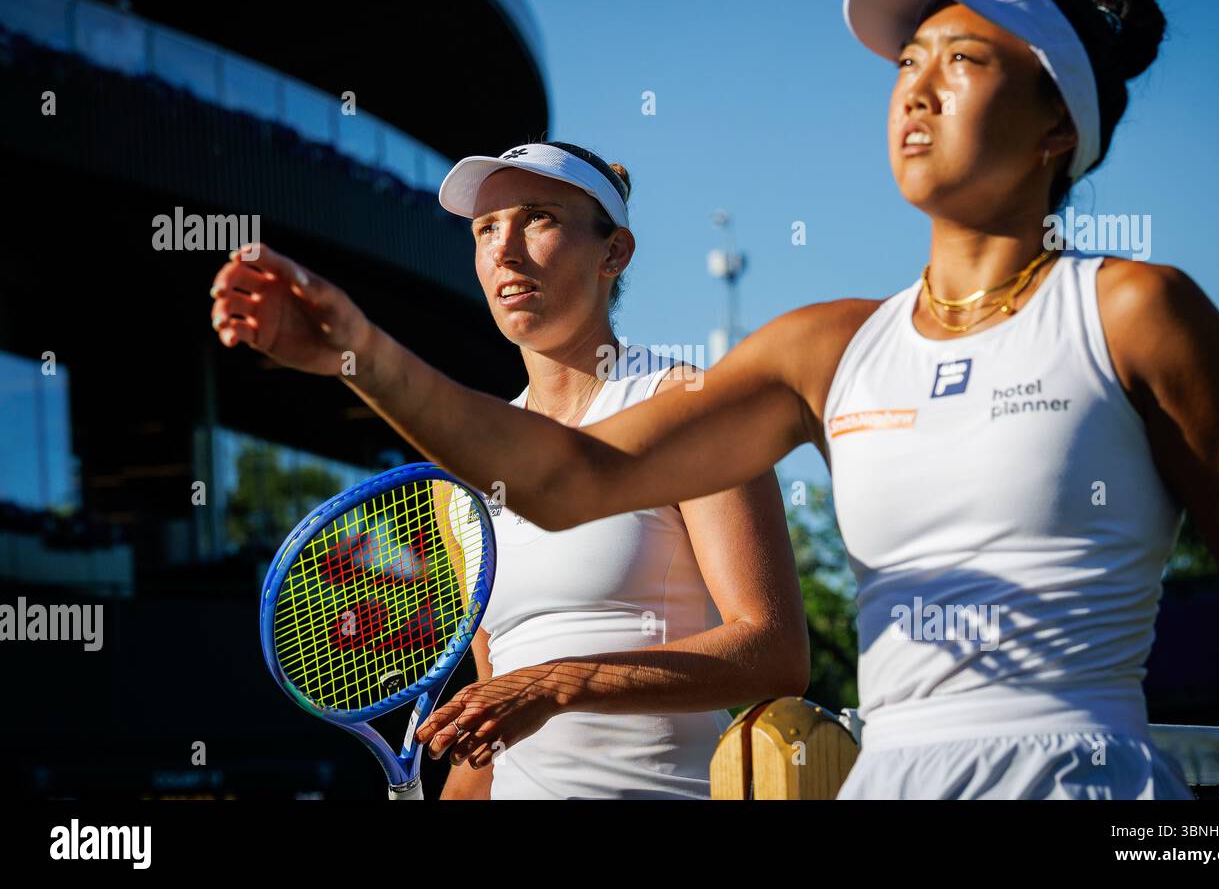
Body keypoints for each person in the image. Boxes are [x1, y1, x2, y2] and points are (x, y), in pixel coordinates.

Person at [212, 0, 1219, 799]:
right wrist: (355, 350)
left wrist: (572, 681)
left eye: (961, 62)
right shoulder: (820, 345)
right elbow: (562, 478)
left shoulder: (1135, 309)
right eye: (905, 64)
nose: (914, 91)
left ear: (1058, 122)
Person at [210, 141, 808, 799]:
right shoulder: (463, 472)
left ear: (615, 253)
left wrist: (559, 683)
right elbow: (488, 731)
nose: (505, 248)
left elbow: (774, 653)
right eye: (486, 228)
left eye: (539, 218)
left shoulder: (691, 409)